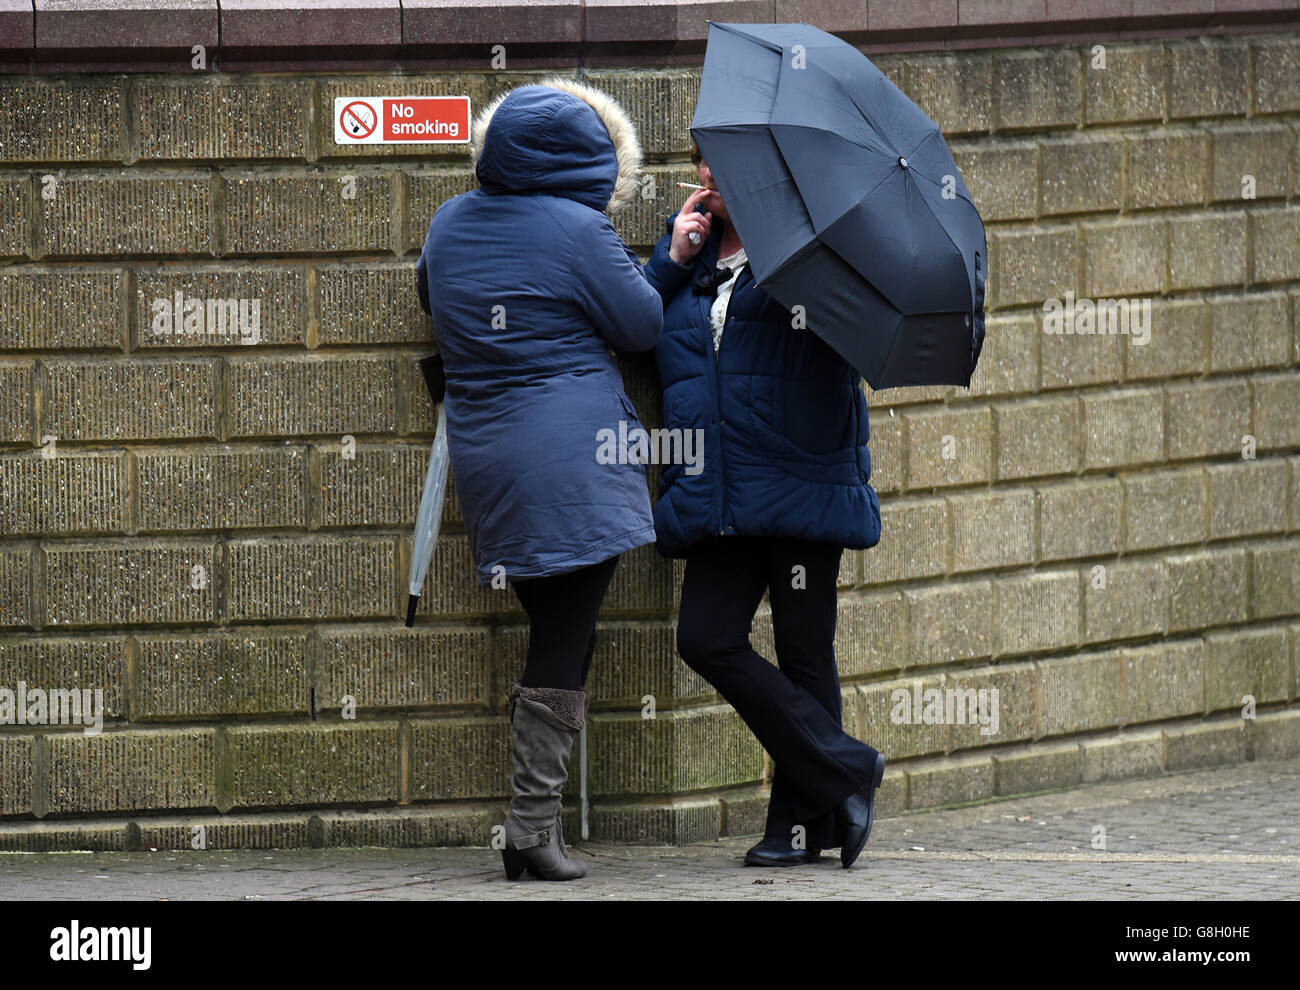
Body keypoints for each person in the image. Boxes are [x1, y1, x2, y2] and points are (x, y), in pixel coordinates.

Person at [416, 79, 661, 881]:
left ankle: (533, 830)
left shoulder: (448, 223)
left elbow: (432, 297)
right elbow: (642, 324)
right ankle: (529, 831)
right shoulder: (580, 230)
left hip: (492, 464)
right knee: (564, 635)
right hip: (575, 459)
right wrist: (667, 259)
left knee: (563, 627)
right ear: (588, 164)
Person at [643, 145, 886, 868]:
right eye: (700, 162)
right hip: (720, 486)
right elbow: (630, 326)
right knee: (706, 638)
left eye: (721, 163)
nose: (706, 175)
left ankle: (801, 827)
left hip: (802, 477)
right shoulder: (686, 254)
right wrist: (668, 260)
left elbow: (856, 343)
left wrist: (798, 260)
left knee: (805, 648)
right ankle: (847, 767)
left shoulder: (811, 252)